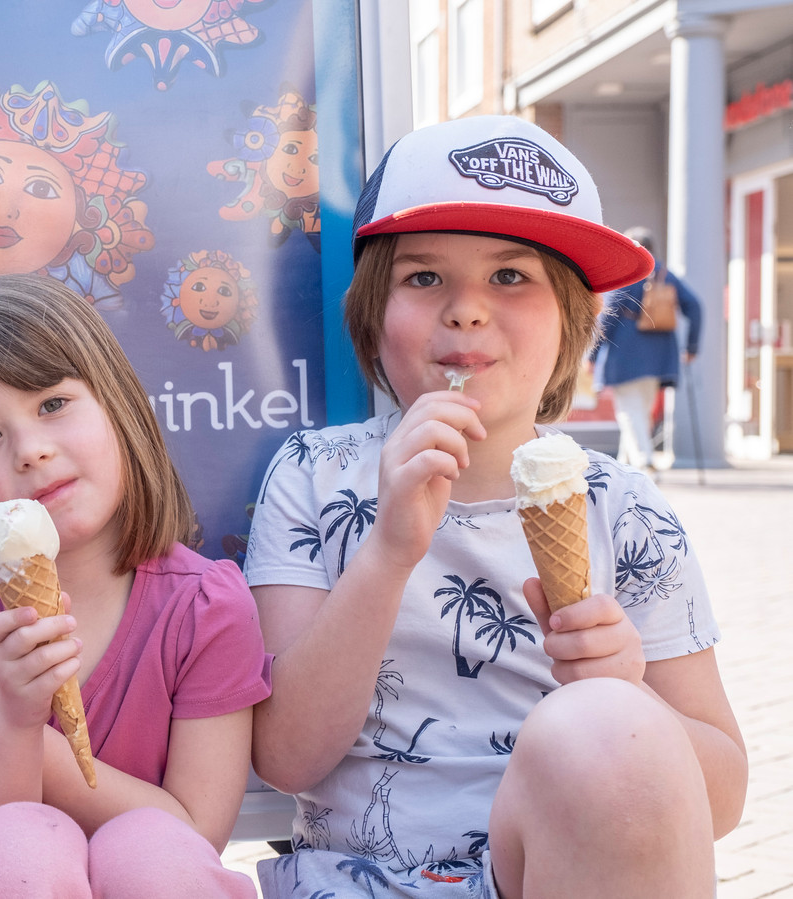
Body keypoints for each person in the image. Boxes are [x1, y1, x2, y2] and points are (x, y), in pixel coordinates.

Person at [245, 116, 746, 898]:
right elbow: (285, 756)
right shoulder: (314, 475)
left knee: (606, 729)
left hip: (565, 869)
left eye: (512, 276)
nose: (468, 310)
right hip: (358, 879)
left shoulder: (623, 509)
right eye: (423, 277)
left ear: (573, 322)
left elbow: (720, 797)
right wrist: (387, 553)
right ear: (373, 315)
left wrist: (629, 689)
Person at [0, 273, 271, 898]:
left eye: (52, 404)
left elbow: (196, 836)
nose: (30, 451)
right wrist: (12, 717)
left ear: (118, 402)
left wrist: (45, 754)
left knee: (151, 849)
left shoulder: (206, 608)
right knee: (19, 845)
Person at [590, 226, 703, 471]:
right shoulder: (667, 275)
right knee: (639, 410)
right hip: (660, 356)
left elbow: (607, 319)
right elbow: (695, 306)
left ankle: (644, 460)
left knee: (629, 412)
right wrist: (691, 345)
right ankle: (624, 467)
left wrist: (592, 353)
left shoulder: (625, 274)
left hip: (624, 355)